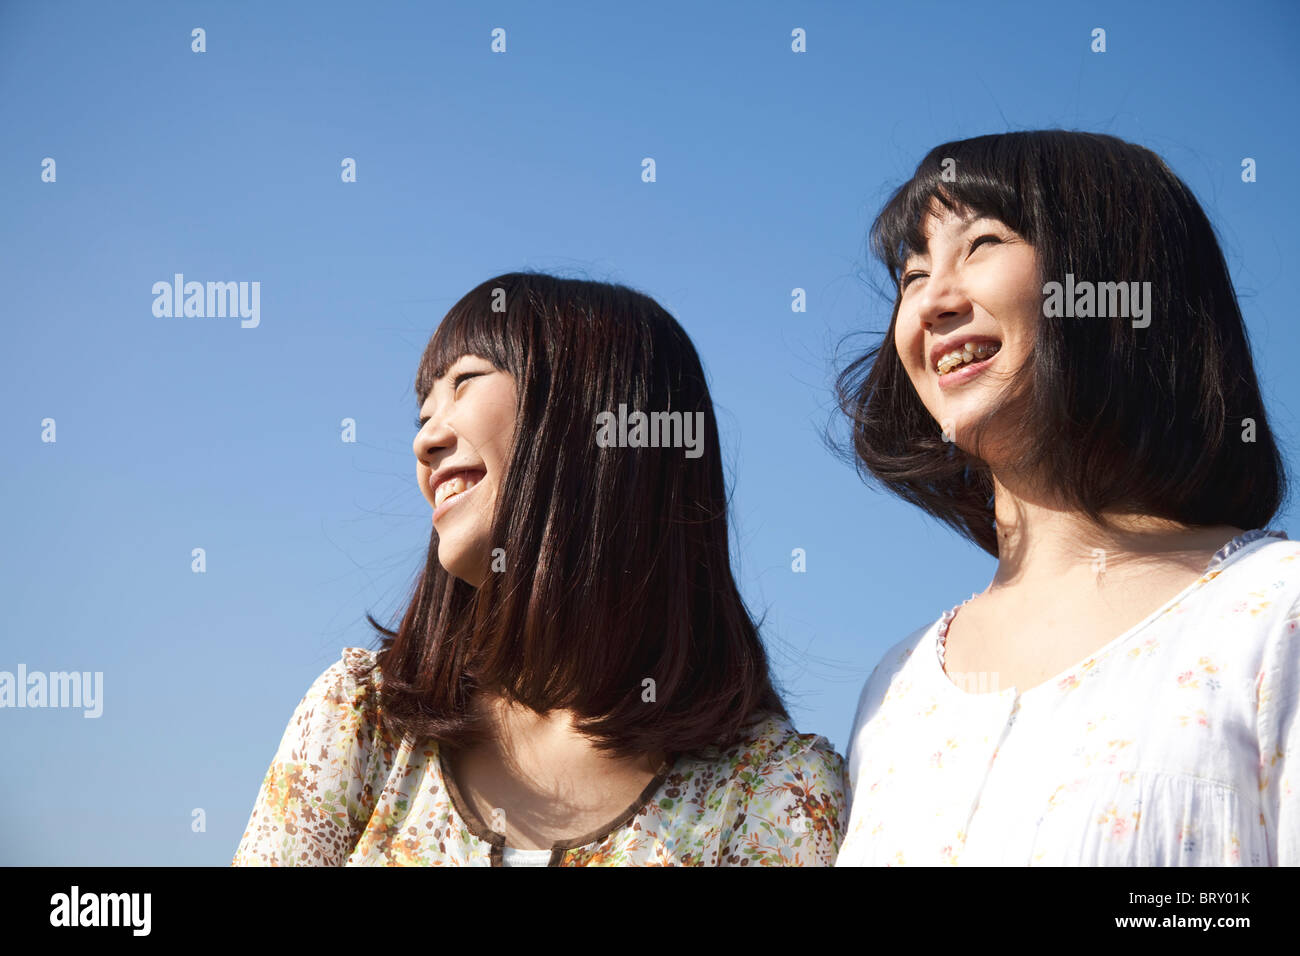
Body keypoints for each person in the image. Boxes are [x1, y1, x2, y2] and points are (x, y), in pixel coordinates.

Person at [233, 271, 845, 866]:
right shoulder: (364, 724)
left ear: (597, 418)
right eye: (423, 414)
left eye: (465, 381)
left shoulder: (774, 792)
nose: (425, 441)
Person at [833, 130, 1298, 866]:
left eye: (981, 243)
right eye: (912, 274)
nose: (933, 302)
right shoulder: (895, 687)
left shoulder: (1275, 610)